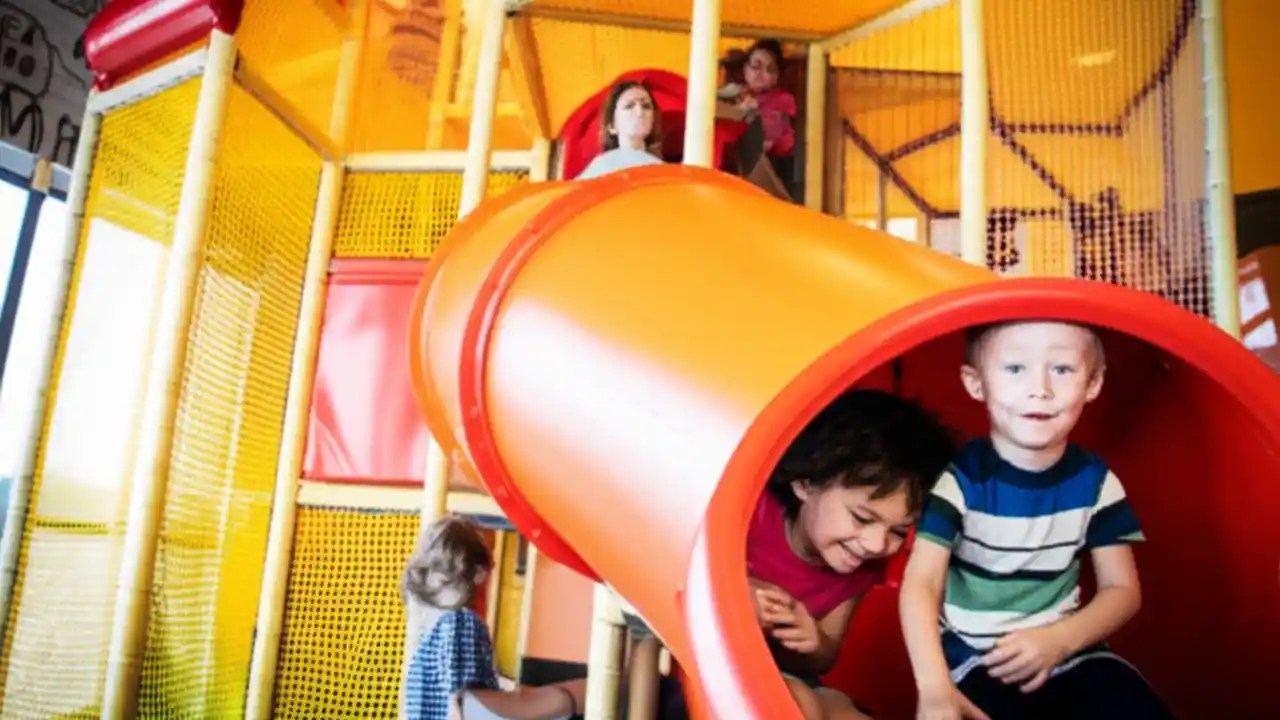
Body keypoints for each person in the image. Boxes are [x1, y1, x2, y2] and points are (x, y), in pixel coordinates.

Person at [899, 321, 1174, 720]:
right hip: (977, 657)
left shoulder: (1095, 481)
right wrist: (934, 688)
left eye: (1062, 369)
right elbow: (921, 584)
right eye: (1015, 369)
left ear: (1093, 383)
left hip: (1070, 648)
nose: (1040, 389)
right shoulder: (960, 481)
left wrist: (1058, 641)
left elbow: (1122, 589)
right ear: (976, 384)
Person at [749, 389, 956, 719]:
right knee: (797, 701)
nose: (876, 544)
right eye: (862, 518)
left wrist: (813, 640)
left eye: (899, 531)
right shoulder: (752, 511)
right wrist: (745, 593)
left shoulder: (862, 567)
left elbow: (827, 655)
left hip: (791, 676)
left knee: (840, 711)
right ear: (806, 484)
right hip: (716, 665)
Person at [401, 514, 586, 720]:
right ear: (479, 574)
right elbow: (460, 699)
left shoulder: (428, 634)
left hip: (458, 707)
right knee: (564, 699)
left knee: (561, 697)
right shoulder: (461, 622)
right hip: (466, 710)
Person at [577, 80, 665, 180]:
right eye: (629, 106)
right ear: (611, 125)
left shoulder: (663, 170)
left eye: (646, 106)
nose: (640, 112)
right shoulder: (601, 167)